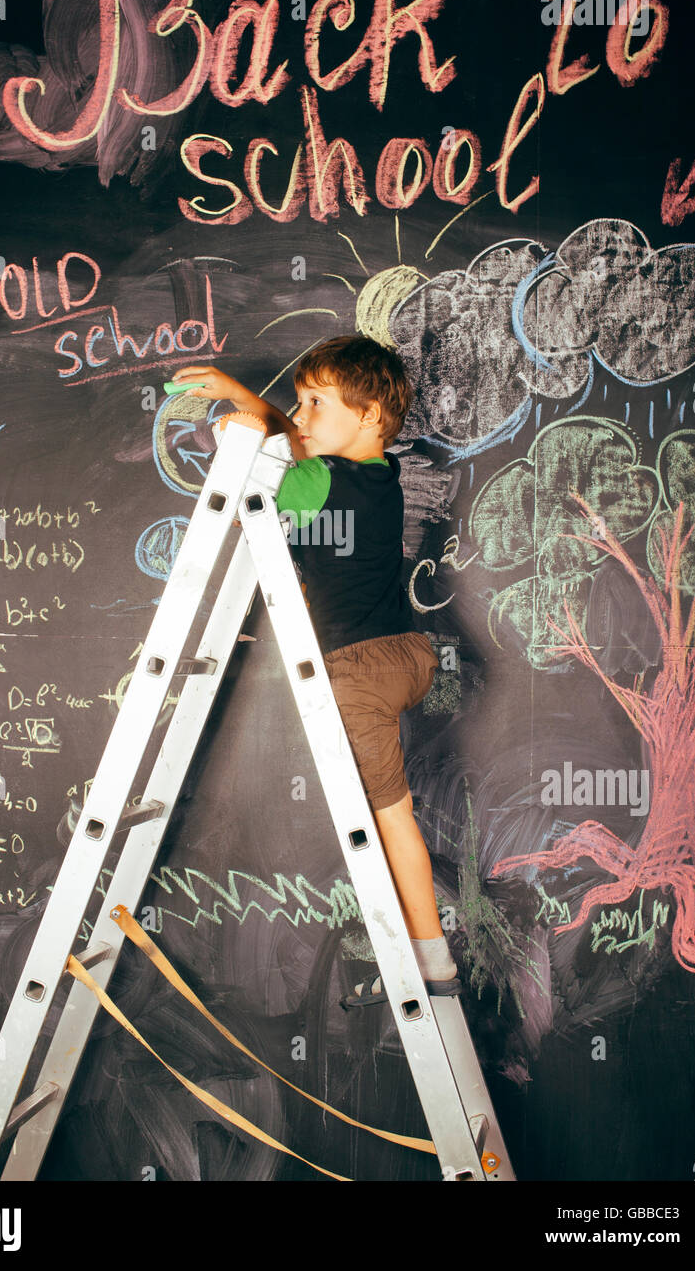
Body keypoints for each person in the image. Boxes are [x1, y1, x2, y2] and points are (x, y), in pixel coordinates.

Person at [170, 336, 459, 1006]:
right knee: (386, 814)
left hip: (356, 670)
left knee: (391, 821)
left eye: (316, 403)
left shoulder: (310, 479)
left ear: (369, 413)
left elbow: (272, 472)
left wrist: (238, 429)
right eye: (297, 401)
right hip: (408, 654)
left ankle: (435, 970)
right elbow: (302, 447)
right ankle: (422, 953)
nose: (299, 415)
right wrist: (248, 399)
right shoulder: (378, 469)